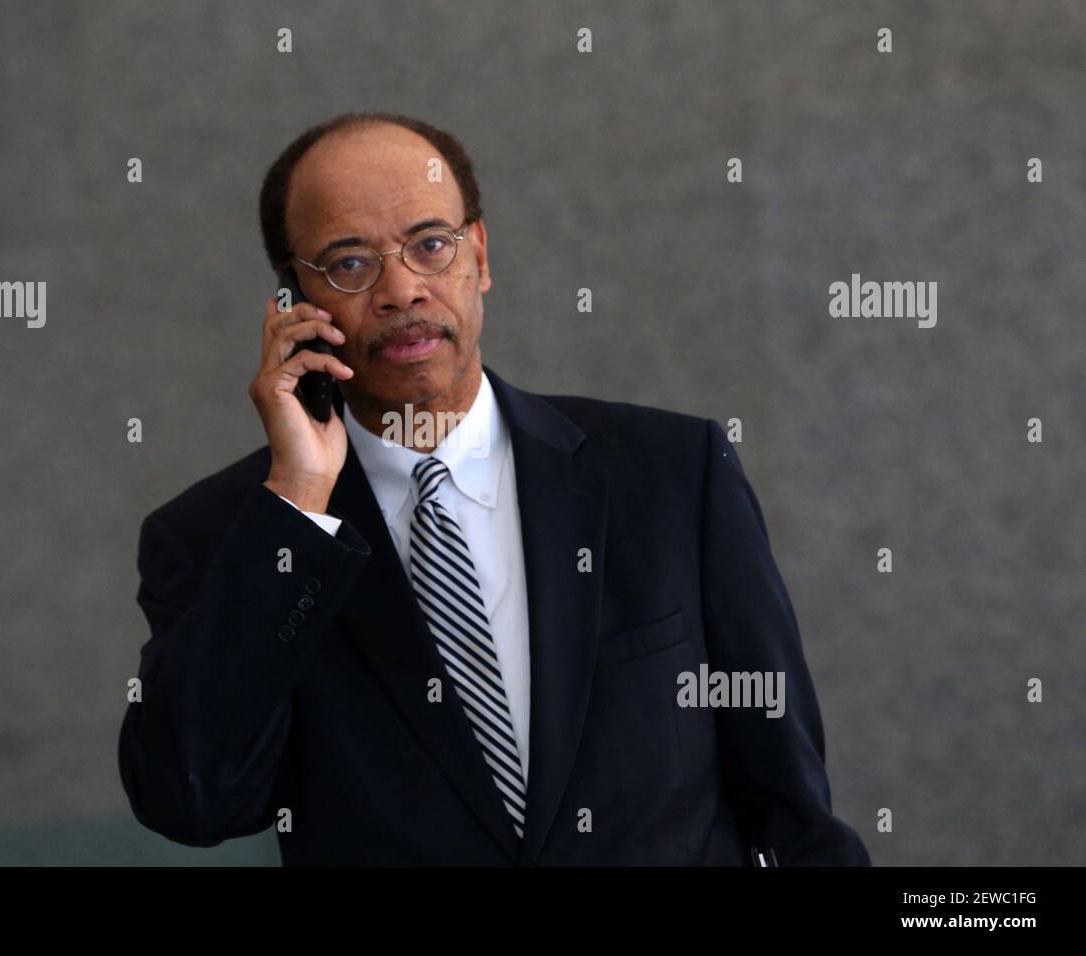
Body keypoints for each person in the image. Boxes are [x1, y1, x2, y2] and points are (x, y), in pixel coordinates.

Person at [118, 111, 871, 866]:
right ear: (292, 304)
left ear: (478, 255)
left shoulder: (674, 473)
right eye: (349, 263)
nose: (401, 289)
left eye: (430, 245)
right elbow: (194, 800)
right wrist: (296, 503)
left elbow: (796, 816)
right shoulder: (225, 536)